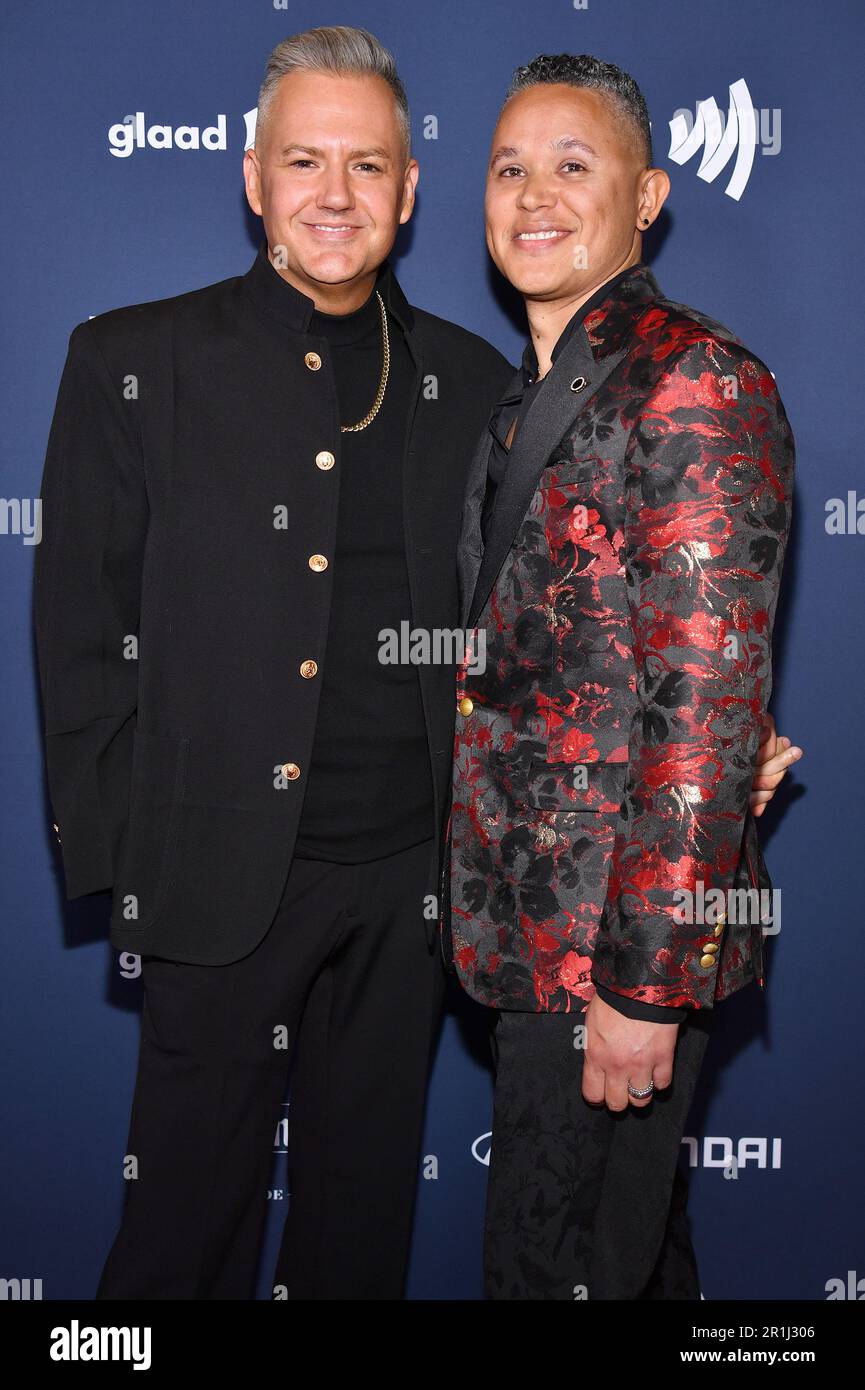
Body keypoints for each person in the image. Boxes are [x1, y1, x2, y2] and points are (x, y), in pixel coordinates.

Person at [35, 26, 796, 1301]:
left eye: (368, 164)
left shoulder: (472, 380)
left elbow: (590, 629)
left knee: (361, 1235)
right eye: (304, 162)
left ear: (407, 189)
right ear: (252, 177)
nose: (335, 194)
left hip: (418, 892)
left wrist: (713, 748)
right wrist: (128, 869)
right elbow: (79, 636)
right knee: (172, 1241)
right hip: (216, 889)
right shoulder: (129, 362)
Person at [445, 53, 797, 1300]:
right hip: (533, 938)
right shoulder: (529, 399)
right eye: (508, 167)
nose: (533, 194)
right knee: (629, 1269)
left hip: (608, 957)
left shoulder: (690, 380)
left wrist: (643, 984)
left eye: (572, 165)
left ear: (646, 196)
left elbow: (702, 718)